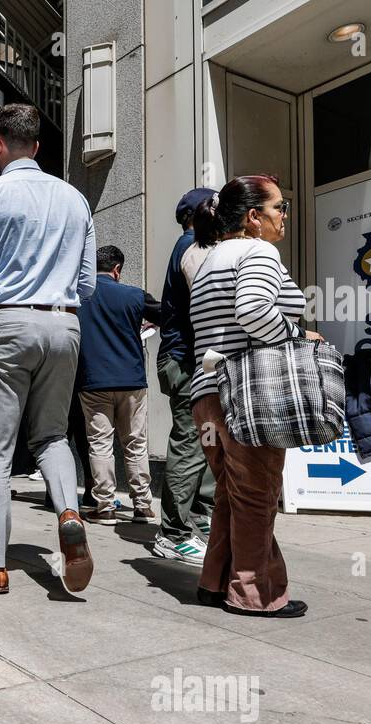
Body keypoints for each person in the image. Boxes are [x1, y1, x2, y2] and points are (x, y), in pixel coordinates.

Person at [0, 103, 97, 596]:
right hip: (64, 325)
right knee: (53, 435)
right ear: (37, 146)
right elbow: (87, 282)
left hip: (8, 323)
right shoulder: (75, 200)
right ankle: (68, 511)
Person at [189, 174, 320, 618]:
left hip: (207, 395)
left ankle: (213, 582)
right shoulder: (258, 250)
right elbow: (253, 310)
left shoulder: (206, 260)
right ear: (253, 217)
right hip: (247, 393)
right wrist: (299, 335)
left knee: (231, 493)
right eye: (279, 208)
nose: (284, 216)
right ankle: (254, 594)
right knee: (257, 497)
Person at [152, 187, 218, 565]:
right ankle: (172, 534)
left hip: (195, 362)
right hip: (186, 362)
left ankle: (200, 515)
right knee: (191, 443)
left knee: (206, 439)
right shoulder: (192, 246)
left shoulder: (196, 244)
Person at [74, 244, 159, 528]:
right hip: (132, 379)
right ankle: (143, 506)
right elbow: (167, 316)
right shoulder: (134, 295)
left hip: (93, 381)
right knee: (135, 443)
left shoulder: (77, 297)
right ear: (117, 269)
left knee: (100, 443)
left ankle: (105, 506)